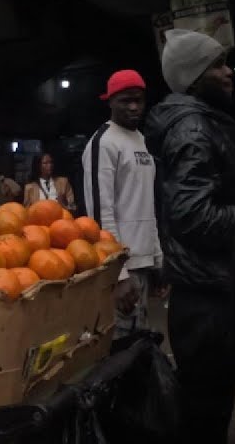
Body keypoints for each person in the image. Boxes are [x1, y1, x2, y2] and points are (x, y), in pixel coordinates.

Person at [145, 30, 235, 442]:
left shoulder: (203, 121)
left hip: (213, 295)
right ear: (194, 75)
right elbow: (194, 216)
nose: (227, 71)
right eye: (217, 64)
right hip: (208, 306)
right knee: (205, 417)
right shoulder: (194, 129)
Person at [82, 69, 160, 340]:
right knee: (118, 351)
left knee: (139, 349)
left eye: (139, 100)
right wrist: (118, 273)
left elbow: (146, 203)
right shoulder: (103, 142)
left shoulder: (141, 140)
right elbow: (99, 214)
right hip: (121, 269)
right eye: (126, 100)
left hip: (143, 264)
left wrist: (156, 258)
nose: (134, 107)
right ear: (110, 101)